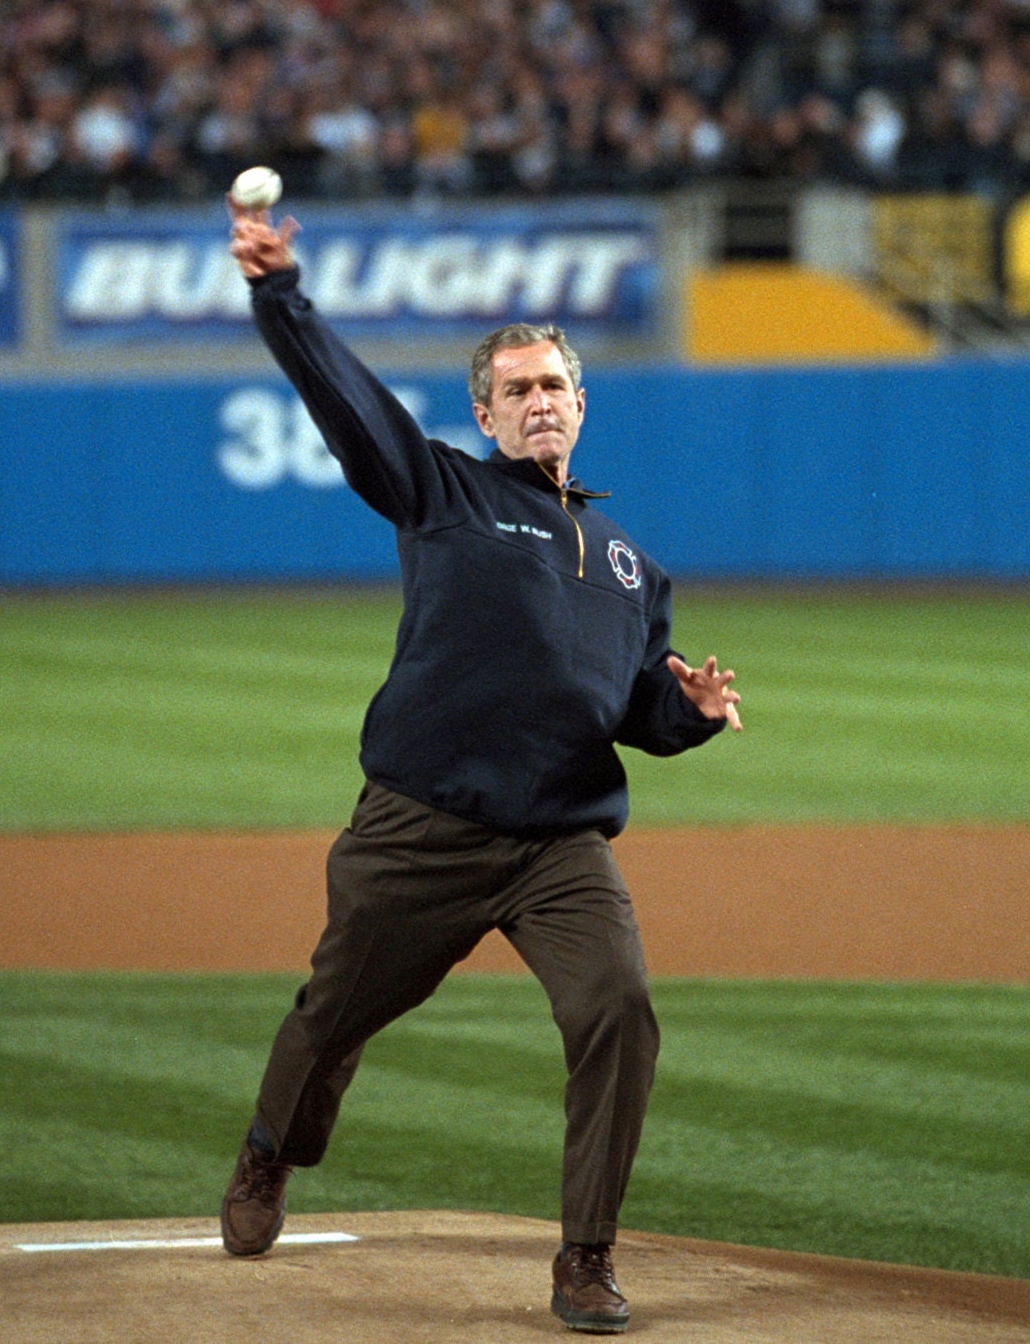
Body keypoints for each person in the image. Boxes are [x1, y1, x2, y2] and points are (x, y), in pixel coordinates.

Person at [220, 195, 742, 1335]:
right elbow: (342, 397)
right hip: (422, 830)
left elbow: (628, 711)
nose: (540, 402)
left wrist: (687, 709)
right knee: (332, 1022)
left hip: (558, 844)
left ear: (582, 404)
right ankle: (271, 1150)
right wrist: (277, 293)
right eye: (519, 389)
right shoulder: (440, 493)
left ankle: (585, 1258)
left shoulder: (630, 566)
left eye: (556, 385)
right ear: (485, 412)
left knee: (621, 1006)